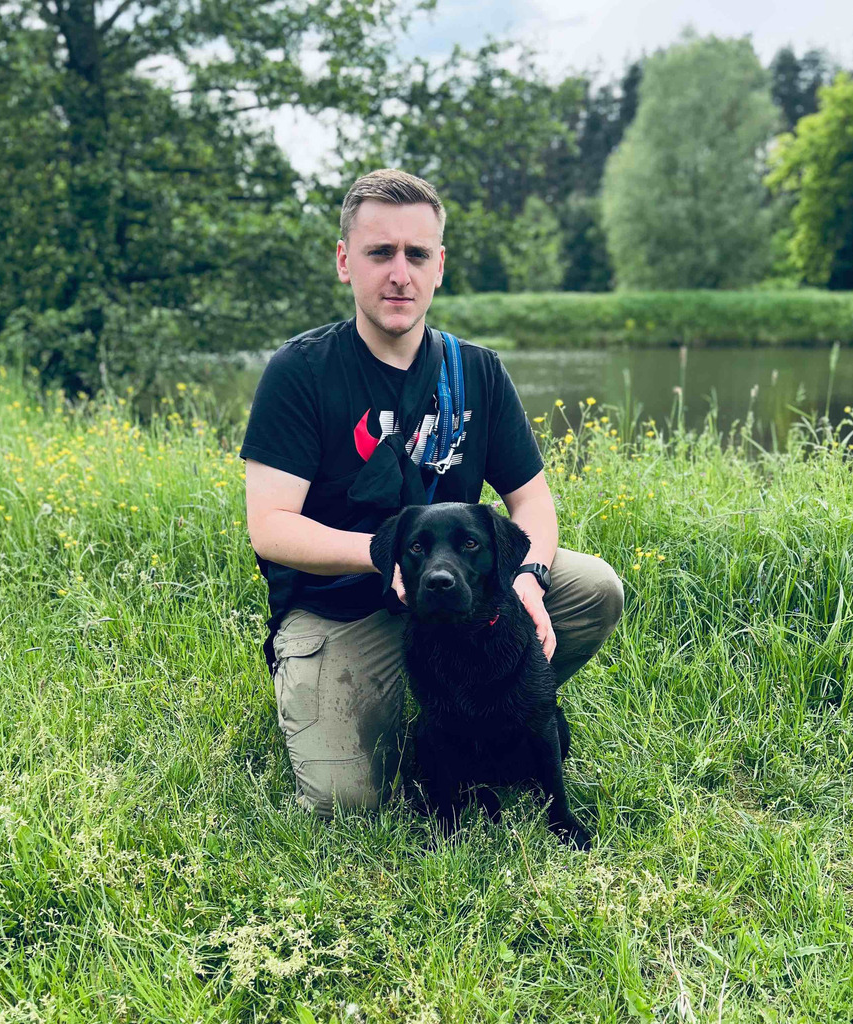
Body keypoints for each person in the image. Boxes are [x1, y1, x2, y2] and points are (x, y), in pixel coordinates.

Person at [241, 168, 624, 818]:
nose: (400, 274)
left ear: (439, 266)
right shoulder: (300, 372)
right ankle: (370, 706)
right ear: (344, 261)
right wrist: (384, 558)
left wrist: (528, 576)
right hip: (343, 610)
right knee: (346, 801)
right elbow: (271, 525)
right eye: (379, 253)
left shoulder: (477, 370)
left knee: (595, 588)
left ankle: (486, 712)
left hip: (464, 599)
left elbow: (532, 502)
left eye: (417, 254)